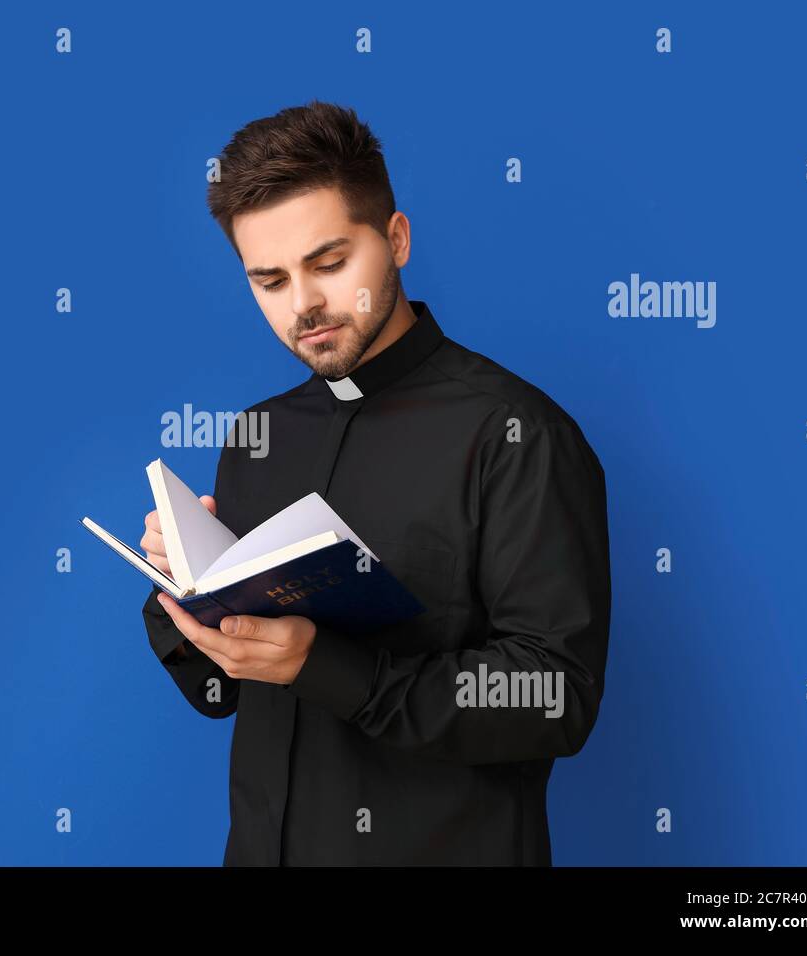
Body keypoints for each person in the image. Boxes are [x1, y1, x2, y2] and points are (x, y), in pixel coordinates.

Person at [140, 100, 611, 866]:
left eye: (329, 264)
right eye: (269, 280)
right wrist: (184, 598)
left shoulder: (516, 435)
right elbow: (221, 697)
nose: (304, 305)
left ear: (395, 239)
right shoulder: (255, 440)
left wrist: (327, 668)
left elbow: (555, 698)